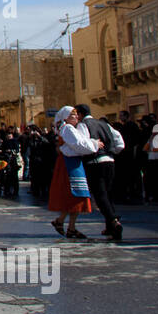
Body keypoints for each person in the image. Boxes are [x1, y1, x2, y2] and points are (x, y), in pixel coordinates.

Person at [49, 106, 101, 240]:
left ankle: (68, 225)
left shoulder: (72, 128)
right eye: (73, 116)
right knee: (74, 194)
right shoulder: (67, 128)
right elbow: (79, 145)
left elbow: (80, 143)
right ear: (66, 118)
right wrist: (94, 145)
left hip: (73, 163)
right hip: (69, 164)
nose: (76, 117)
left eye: (77, 115)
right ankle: (64, 222)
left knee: (77, 194)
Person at [76, 103, 123, 242]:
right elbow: (120, 143)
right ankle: (110, 226)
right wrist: (111, 152)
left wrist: (94, 148)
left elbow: (84, 145)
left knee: (100, 195)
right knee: (108, 195)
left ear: (79, 114)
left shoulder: (83, 125)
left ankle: (114, 221)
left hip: (95, 162)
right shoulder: (104, 124)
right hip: (110, 161)